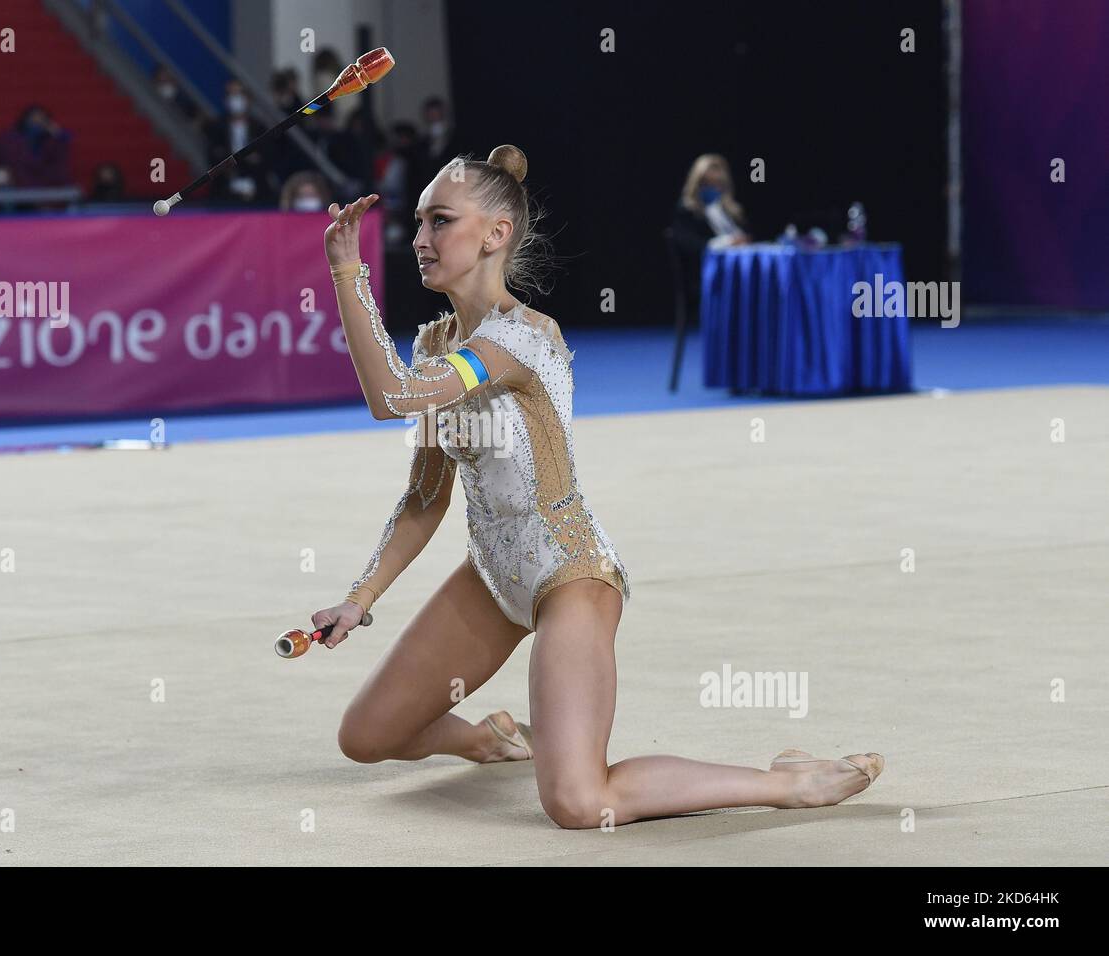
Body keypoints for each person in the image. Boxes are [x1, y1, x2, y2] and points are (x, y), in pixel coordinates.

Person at [314, 144, 885, 828]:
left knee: (582, 803)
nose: (421, 238)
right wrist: (359, 598)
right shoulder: (436, 346)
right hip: (493, 579)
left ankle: (789, 782)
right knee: (366, 736)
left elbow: (393, 399)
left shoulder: (521, 340)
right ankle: (485, 737)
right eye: (420, 222)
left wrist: (348, 271)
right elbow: (425, 495)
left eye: (440, 221)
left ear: (495, 235)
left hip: (569, 576)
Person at [669, 153, 751, 316]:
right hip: (707, 275)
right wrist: (726, 243)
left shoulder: (731, 211)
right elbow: (689, 245)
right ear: (697, 183)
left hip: (739, 271)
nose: (712, 188)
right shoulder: (687, 210)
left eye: (717, 184)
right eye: (706, 183)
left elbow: (747, 236)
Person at [0, 105, 72, 188]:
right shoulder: (12, 139)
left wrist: (57, 136)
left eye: (41, 119)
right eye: (33, 118)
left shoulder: (53, 140)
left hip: (46, 186)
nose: (36, 121)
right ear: (25, 120)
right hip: (18, 184)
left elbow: (59, 164)